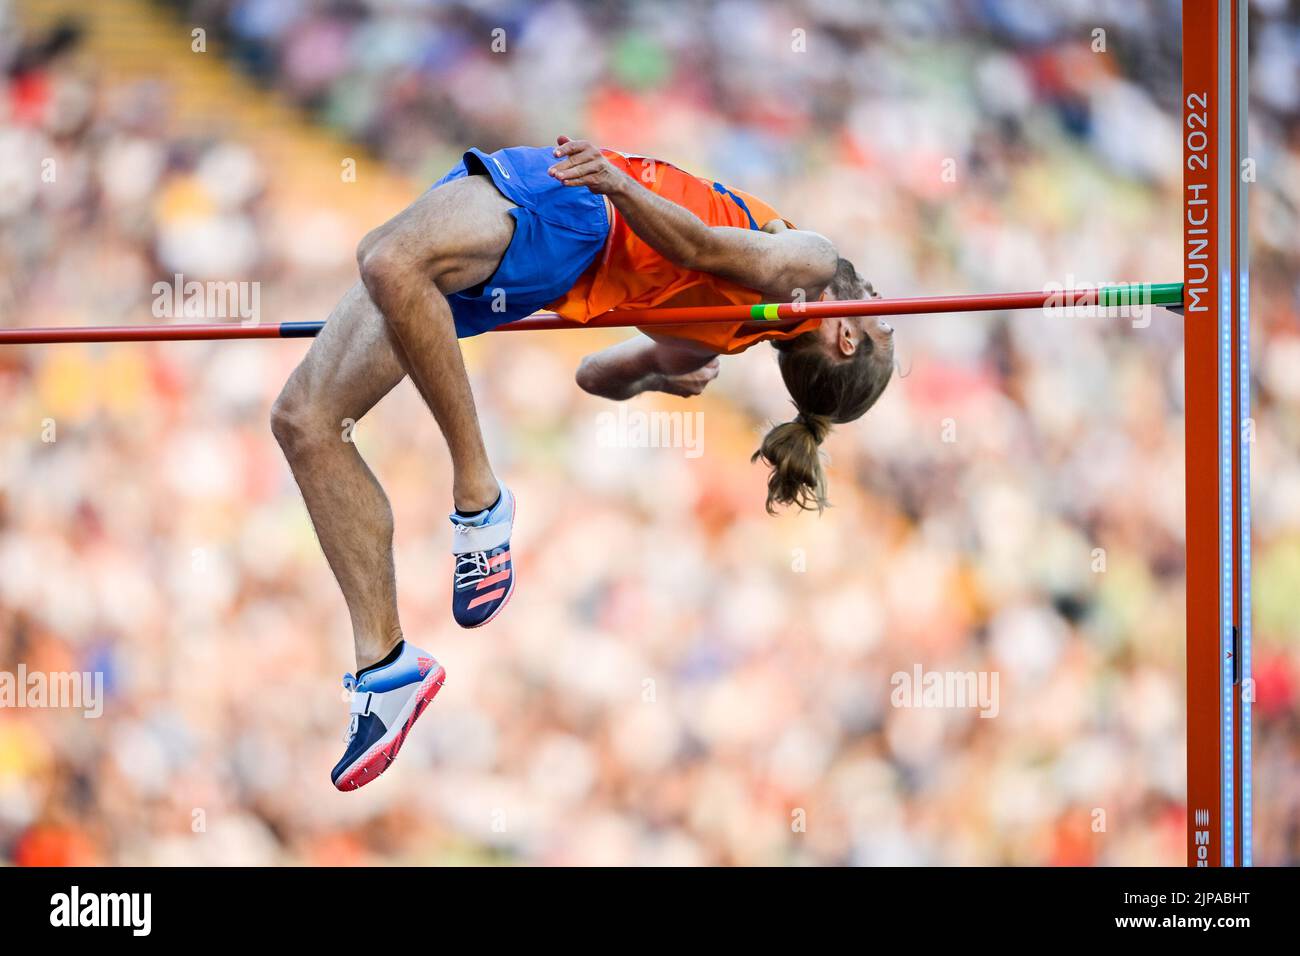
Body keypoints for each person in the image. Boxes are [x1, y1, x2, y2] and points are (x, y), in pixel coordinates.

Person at [270, 137, 895, 790]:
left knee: (391, 257)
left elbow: (702, 248)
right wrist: (658, 379)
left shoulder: (813, 263)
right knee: (307, 420)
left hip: (580, 210)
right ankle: (387, 666)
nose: (880, 300)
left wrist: (619, 186)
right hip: (554, 247)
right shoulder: (717, 334)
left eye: (884, 324)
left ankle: (480, 495)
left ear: (847, 335)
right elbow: (596, 374)